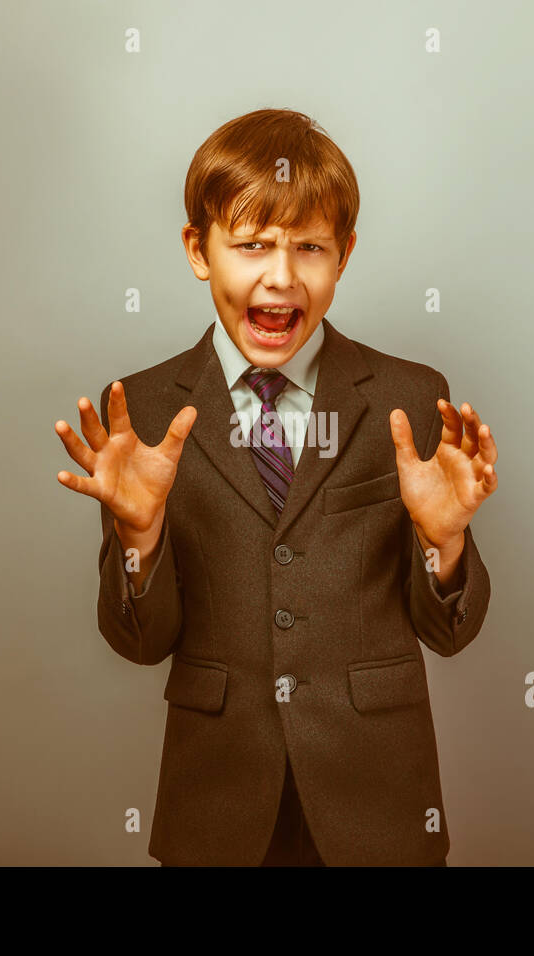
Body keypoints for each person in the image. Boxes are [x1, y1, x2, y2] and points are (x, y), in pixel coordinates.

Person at [55, 108, 498, 866]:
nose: (282, 276)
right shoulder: (146, 409)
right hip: (218, 804)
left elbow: (449, 632)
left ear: (345, 255)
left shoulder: (410, 396)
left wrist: (443, 541)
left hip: (379, 802)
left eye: (310, 248)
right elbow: (140, 642)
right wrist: (139, 538)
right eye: (251, 245)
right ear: (199, 249)